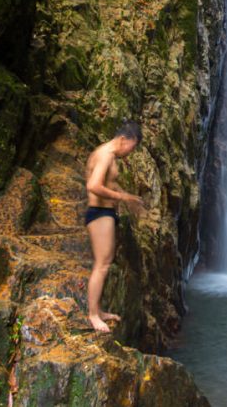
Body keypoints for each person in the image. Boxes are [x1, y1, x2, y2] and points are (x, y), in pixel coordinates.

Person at [84, 120, 146, 333]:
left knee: (105, 262)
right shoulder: (106, 155)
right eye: (133, 146)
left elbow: (108, 182)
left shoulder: (106, 153)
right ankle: (93, 315)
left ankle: (98, 310)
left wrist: (128, 198)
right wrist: (121, 197)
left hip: (105, 212)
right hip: (99, 213)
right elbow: (93, 185)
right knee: (102, 264)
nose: (132, 151)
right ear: (123, 139)